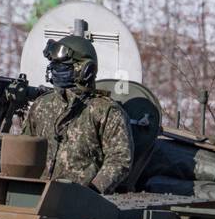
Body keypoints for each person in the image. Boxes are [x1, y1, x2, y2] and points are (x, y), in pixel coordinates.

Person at [21, 36, 134, 194]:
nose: (54, 68)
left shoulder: (105, 111)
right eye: (54, 63)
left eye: (62, 65)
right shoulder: (41, 105)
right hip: (36, 196)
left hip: (79, 205)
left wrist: (92, 192)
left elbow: (119, 159)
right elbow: (25, 148)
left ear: (85, 69)